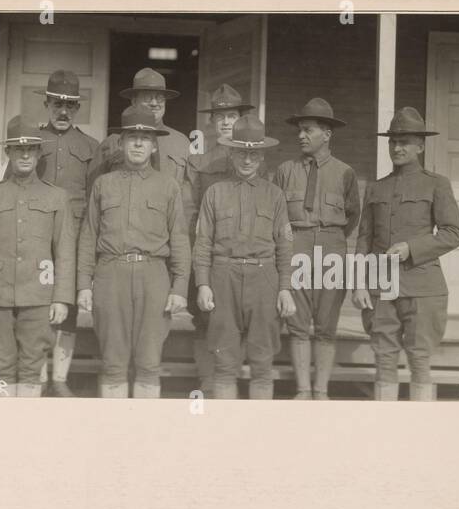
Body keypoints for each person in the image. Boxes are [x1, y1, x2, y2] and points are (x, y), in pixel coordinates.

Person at [76, 105, 190, 398]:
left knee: (150, 363)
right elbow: (89, 235)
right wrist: (83, 285)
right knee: (112, 363)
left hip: (154, 277)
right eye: (131, 137)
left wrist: (179, 287)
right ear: (122, 142)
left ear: (154, 146)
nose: (138, 143)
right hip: (110, 275)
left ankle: (144, 437)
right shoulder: (103, 184)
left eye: (145, 138)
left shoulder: (168, 187)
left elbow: (179, 238)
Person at [352, 107, 459, 401]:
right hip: (382, 289)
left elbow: (454, 233)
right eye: (393, 142)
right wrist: (360, 284)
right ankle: (385, 431)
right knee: (384, 359)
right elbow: (364, 238)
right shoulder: (376, 188)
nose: (398, 147)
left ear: (420, 146)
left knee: (419, 360)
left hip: (422, 287)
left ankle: (419, 430)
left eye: (405, 142)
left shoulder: (436, 184)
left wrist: (412, 248)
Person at [0, 115, 75, 397]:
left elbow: (64, 251)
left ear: (39, 153)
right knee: (1, 364)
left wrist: (62, 297)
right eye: (18, 149)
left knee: (31, 364)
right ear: (8, 153)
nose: (25, 155)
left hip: (38, 293)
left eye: (31, 149)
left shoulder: (56, 197)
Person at [193, 113, 295, 399]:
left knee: (262, 365)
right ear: (230, 152)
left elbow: (285, 246)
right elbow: (202, 243)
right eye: (241, 153)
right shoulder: (214, 192)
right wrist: (203, 283)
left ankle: (258, 435)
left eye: (254, 154)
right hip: (223, 277)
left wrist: (285, 288)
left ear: (262, 156)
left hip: (264, 280)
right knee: (225, 365)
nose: (247, 160)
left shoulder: (275, 195)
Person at [272, 98, 361, 399]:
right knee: (297, 324)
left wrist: (328, 237)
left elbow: (352, 216)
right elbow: (277, 215)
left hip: (331, 250)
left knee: (326, 325)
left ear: (327, 133)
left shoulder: (345, 173)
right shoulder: (285, 170)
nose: (301, 136)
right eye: (299, 130)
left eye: (308, 130)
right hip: (295, 246)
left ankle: (321, 391)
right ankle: (302, 390)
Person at [33, 70, 101, 397]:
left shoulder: (90, 147)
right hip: (35, 237)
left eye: (70, 107)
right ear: (46, 104)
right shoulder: (30, 142)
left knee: (68, 310)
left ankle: (59, 379)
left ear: (77, 110)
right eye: (57, 104)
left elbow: (96, 201)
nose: (63, 112)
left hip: (72, 240)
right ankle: (38, 375)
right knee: (37, 303)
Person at [186, 84, 254, 396]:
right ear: (212, 123)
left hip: (243, 255)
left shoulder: (253, 159)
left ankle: (229, 381)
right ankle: (208, 381)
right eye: (220, 116)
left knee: (239, 318)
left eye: (232, 115)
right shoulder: (201, 161)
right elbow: (192, 210)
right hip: (210, 254)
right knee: (205, 320)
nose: (226, 122)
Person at [89, 68, 191, 204]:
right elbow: (93, 194)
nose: (154, 103)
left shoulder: (181, 142)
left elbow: (188, 197)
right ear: (133, 101)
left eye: (160, 98)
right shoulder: (112, 143)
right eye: (147, 97)